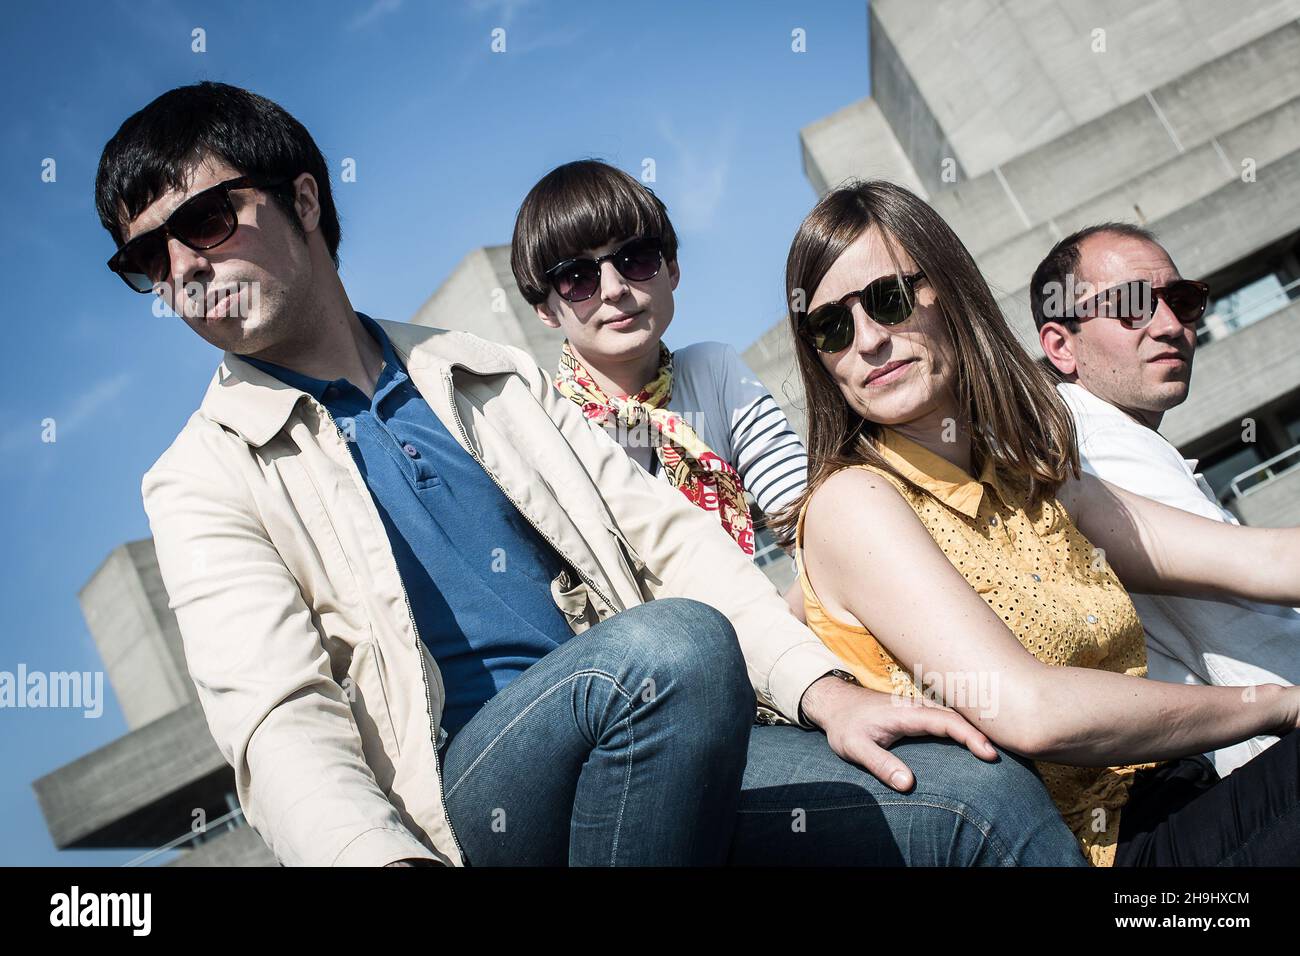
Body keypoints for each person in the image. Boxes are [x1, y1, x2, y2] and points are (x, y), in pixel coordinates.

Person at [97, 82, 1086, 867]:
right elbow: (278, 723)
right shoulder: (201, 477)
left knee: (981, 800)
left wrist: (825, 690)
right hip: (471, 804)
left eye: (211, 219)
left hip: (661, 738)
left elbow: (668, 538)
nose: (184, 265)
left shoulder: (483, 373)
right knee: (665, 650)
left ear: (303, 198)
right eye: (148, 255)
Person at [775, 179, 1300, 867]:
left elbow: (1257, 559)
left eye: (888, 300)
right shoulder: (853, 503)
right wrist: (1279, 704)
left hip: (1182, 801)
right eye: (832, 327)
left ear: (952, 293)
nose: (869, 340)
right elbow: (1030, 709)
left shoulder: (1028, 471)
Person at [1030, 222, 1300, 776]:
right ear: (1061, 345)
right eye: (1130, 305)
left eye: (1182, 300)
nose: (1169, 325)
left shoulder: (1100, 434)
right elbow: (1253, 639)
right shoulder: (1098, 445)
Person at [510, 159, 809, 621]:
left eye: (636, 259)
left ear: (672, 269)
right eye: (577, 277)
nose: (613, 289)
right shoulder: (544, 431)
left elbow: (811, 524)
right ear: (544, 309)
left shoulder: (713, 370)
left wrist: (785, 641)